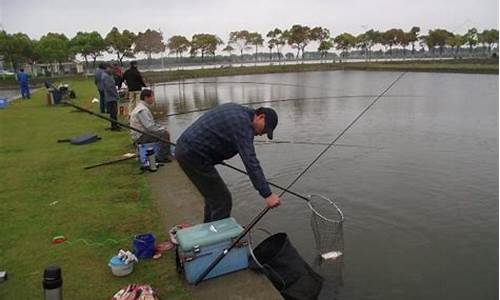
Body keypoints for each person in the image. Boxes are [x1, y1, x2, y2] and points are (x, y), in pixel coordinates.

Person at [175, 103, 281, 223]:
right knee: (222, 200)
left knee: (214, 199)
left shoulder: (239, 112)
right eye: (265, 129)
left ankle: (208, 233)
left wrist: (216, 156)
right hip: (192, 155)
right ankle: (216, 238)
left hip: (189, 151)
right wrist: (267, 194)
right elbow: (250, 161)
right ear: (261, 117)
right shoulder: (243, 124)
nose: (262, 134)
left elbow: (218, 134)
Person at [129, 89, 172, 163]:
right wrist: (162, 129)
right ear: (146, 98)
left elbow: (151, 124)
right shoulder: (142, 110)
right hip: (140, 137)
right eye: (152, 96)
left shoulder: (141, 106)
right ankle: (162, 157)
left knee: (162, 131)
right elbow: (149, 127)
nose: (154, 98)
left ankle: (163, 153)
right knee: (165, 134)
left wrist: (160, 127)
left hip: (142, 134)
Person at [102, 64, 120, 131]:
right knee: (113, 112)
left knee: (114, 113)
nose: (112, 70)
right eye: (111, 69)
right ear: (107, 68)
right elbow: (109, 88)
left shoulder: (108, 75)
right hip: (111, 97)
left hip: (111, 97)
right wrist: (116, 95)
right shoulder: (106, 76)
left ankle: (115, 125)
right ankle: (114, 126)